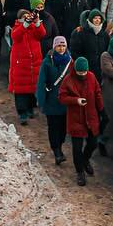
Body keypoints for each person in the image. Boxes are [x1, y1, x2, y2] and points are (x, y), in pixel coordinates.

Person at [58, 53, 102, 186]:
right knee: (77, 148)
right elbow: (61, 97)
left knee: (93, 143)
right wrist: (76, 100)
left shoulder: (91, 77)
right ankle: (80, 172)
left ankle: (85, 160)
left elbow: (97, 92)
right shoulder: (68, 80)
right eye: (79, 72)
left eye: (84, 72)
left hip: (90, 115)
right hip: (76, 118)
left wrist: (101, 108)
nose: (82, 74)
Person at [36, 36, 73, 166]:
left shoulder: (70, 61)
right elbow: (41, 82)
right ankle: (57, 151)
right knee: (53, 127)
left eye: (63, 46)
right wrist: (41, 100)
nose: (61, 48)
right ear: (54, 47)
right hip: (51, 100)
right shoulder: (47, 62)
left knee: (63, 128)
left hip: (65, 101)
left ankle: (59, 145)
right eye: (59, 46)